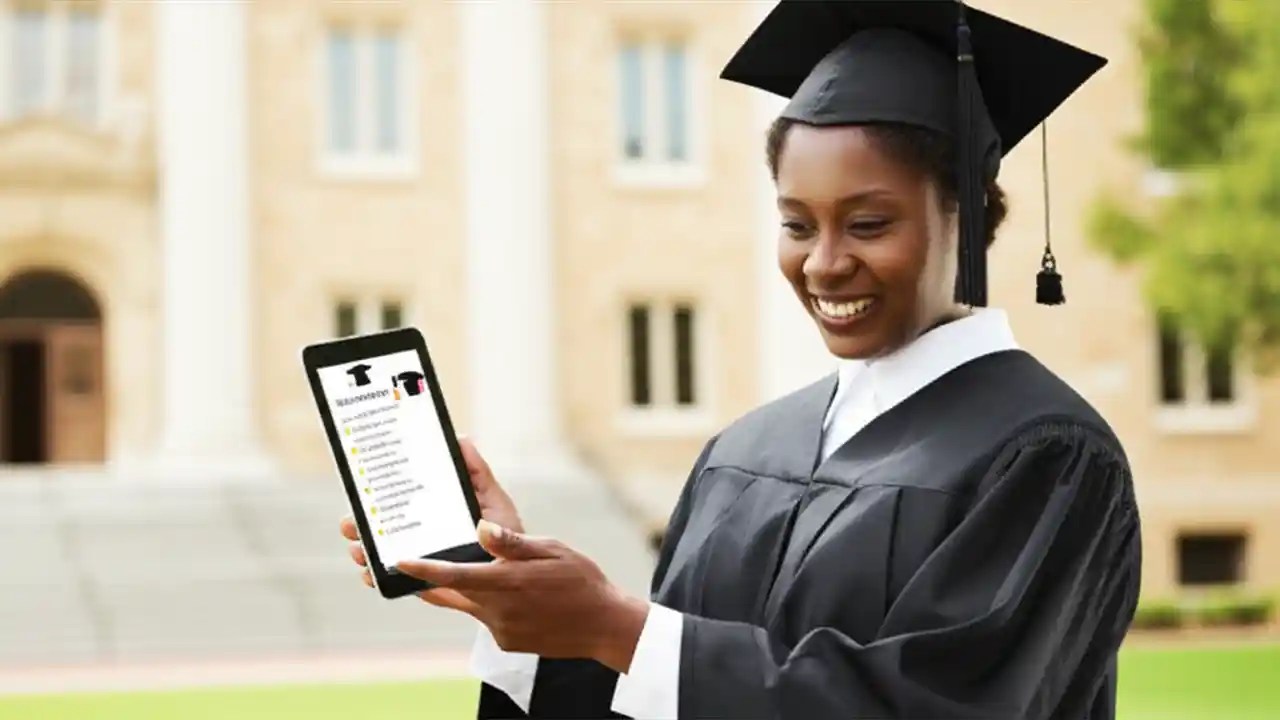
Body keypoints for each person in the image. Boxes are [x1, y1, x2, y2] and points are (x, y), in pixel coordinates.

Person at [338, 1, 1142, 718]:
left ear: (965, 216)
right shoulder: (747, 452)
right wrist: (527, 620)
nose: (824, 264)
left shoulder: (1048, 456)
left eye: (867, 225)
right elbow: (658, 694)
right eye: (797, 225)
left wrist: (621, 626)